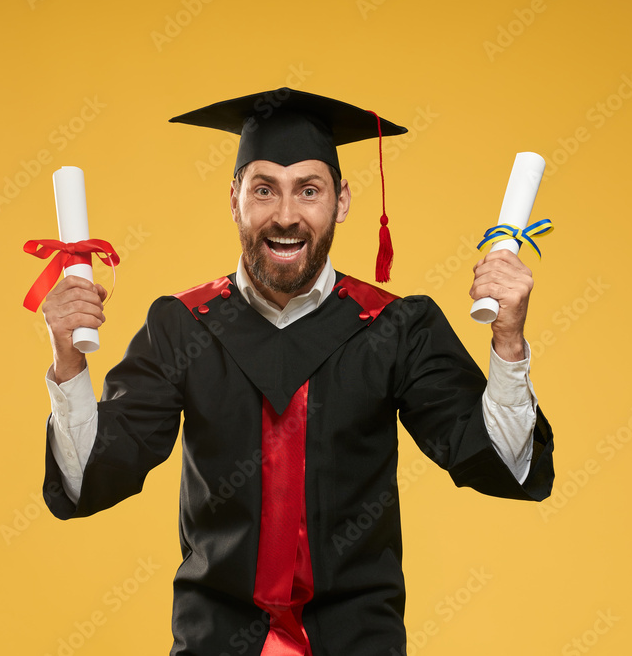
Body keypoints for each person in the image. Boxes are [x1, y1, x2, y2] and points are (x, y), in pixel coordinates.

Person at [40, 88, 554, 656]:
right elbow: (90, 477)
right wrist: (70, 358)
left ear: (341, 201)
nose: (286, 216)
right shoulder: (182, 327)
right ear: (234, 198)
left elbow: (502, 464)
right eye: (264, 190)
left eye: (309, 191)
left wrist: (507, 340)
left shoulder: (396, 327)